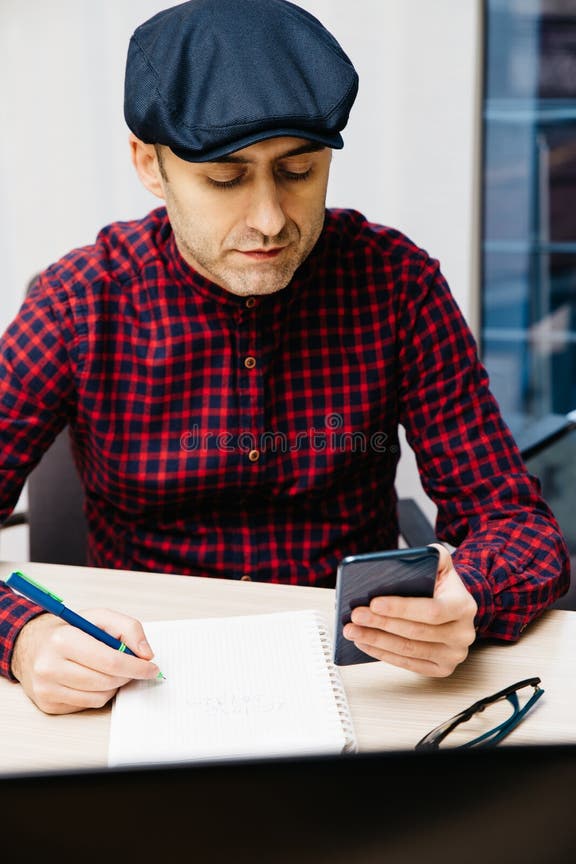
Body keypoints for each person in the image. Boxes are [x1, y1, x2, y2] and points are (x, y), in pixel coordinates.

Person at [0, 0, 570, 715]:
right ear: (150, 164)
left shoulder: (398, 287)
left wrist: (472, 598)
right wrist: (24, 637)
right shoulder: (79, 304)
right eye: (226, 179)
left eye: (298, 171)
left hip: (362, 680)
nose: (270, 219)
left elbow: (519, 526)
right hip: (147, 682)